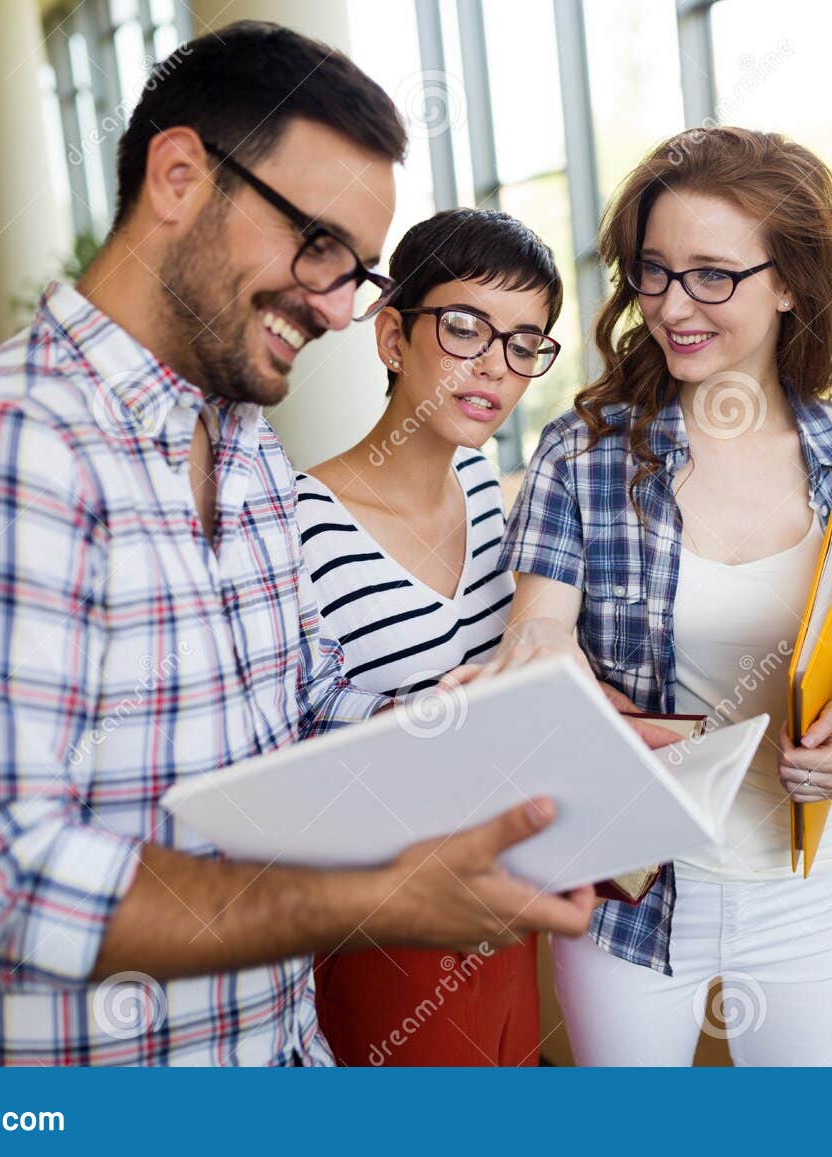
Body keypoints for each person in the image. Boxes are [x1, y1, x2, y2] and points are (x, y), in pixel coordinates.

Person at [0, 21, 593, 1068]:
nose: (338, 307)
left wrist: (498, 730)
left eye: (355, 272)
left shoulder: (244, 450)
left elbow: (314, 706)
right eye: (317, 244)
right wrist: (373, 898)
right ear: (180, 177)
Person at [475, 126, 832, 1066]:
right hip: (634, 884)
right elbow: (538, 630)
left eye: (712, 276)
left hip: (807, 882)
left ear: (789, 282)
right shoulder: (585, 451)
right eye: (654, 271)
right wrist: (553, 669)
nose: (673, 306)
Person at [296, 207, 564, 1066]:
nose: (495, 366)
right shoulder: (299, 525)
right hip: (385, 913)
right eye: (464, 328)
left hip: (501, 886)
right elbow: (288, 728)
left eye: (524, 343)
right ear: (391, 337)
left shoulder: (485, 485)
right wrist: (428, 714)